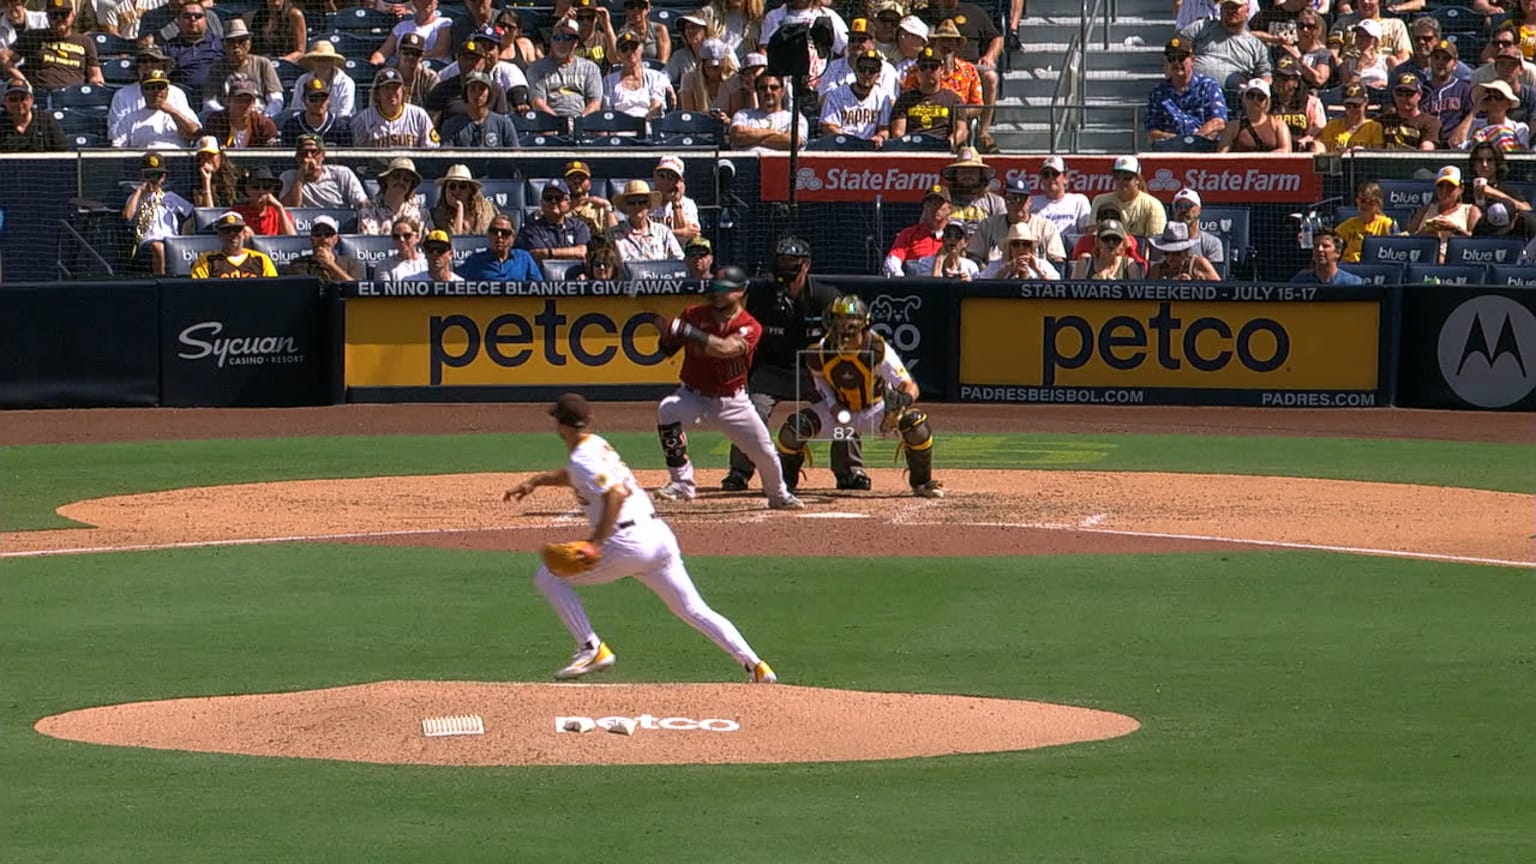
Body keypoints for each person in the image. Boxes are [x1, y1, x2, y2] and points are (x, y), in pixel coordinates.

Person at [504, 392, 779, 683]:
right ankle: (757, 666)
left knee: (549, 576)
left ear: (562, 426)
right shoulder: (595, 444)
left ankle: (591, 647)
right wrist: (536, 481)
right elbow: (574, 474)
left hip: (628, 543)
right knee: (693, 609)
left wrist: (594, 543)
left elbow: (615, 494)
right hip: (659, 538)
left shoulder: (584, 457)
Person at [649, 266, 805, 510]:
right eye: (716, 289)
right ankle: (681, 483)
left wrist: (687, 330)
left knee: (764, 451)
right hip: (694, 394)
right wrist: (666, 335)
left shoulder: (750, 326)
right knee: (667, 410)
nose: (718, 295)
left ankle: (778, 495)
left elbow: (725, 349)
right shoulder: (694, 314)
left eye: (725, 290)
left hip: (732, 400)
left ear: (741, 292)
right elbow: (668, 350)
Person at [722, 236, 862, 492]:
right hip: (771, 371)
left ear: (805, 265)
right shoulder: (762, 296)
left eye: (792, 261)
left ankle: (850, 471)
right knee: (751, 412)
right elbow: (750, 338)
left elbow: (849, 339)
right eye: (781, 261)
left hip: (814, 373)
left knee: (844, 410)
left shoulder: (825, 297)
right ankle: (739, 472)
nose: (786, 267)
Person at [778, 294, 944, 498]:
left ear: (863, 325)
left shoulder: (877, 349)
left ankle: (921, 482)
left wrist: (901, 403)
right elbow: (820, 381)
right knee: (795, 428)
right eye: (839, 322)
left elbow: (910, 385)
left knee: (916, 424)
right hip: (839, 412)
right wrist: (833, 405)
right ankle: (785, 484)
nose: (844, 329)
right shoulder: (821, 352)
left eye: (850, 324)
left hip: (875, 410)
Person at [3, 0, 102, 92]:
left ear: (73, 16)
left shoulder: (85, 41)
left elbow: (96, 75)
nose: (59, 19)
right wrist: (22, 80)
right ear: (47, 17)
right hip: (40, 96)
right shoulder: (33, 37)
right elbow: (4, 57)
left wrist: (93, 91)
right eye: (54, 15)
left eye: (64, 14)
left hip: (74, 97)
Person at [1145, 35, 1228, 143]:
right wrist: (1179, 141)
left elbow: (1219, 122)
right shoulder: (1158, 93)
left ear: (1192, 60)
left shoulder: (1208, 86)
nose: (1176, 62)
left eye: (1181, 58)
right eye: (1171, 59)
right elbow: (1151, 132)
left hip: (1204, 147)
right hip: (1171, 150)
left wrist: (1194, 139)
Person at [121, 151, 193, 275]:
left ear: (163, 178)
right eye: (149, 175)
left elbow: (192, 214)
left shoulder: (170, 197)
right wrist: (139, 191)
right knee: (157, 246)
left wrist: (184, 232)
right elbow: (127, 216)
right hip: (147, 243)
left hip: (171, 241)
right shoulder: (135, 198)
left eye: (157, 176)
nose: (152, 180)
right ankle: (161, 278)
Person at [969, 177, 1066, 265]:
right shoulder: (988, 225)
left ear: (1030, 201)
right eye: (1011, 199)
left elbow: (1057, 262)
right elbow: (973, 257)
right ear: (1004, 201)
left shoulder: (1046, 227)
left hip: (1036, 281)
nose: (1016, 204)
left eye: (1021, 199)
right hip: (996, 280)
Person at [1175, 0, 1271, 90]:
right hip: (1197, 93)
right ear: (1220, 10)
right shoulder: (1201, 27)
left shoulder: (1256, 45)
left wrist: (1255, 90)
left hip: (1236, 99)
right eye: (1226, 7)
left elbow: (1266, 76)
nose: (1230, 11)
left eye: (1235, 7)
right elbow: (1175, 46)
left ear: (1247, 11)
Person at [888, 47, 969, 150]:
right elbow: (898, 132)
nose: (928, 71)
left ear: (942, 70)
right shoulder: (905, 99)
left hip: (942, 149)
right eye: (923, 67)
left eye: (933, 67)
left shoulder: (953, 99)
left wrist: (948, 144)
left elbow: (961, 130)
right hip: (911, 149)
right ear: (917, 70)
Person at [109, 47, 194, 144]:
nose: (149, 65)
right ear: (137, 66)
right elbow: (115, 134)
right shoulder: (122, 95)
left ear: (163, 65)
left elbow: (195, 133)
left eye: (154, 60)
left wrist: (171, 111)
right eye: (144, 61)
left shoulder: (177, 93)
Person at [201, 18, 283, 115]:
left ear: (249, 43)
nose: (236, 48)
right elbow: (209, 102)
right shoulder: (217, 68)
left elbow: (276, 99)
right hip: (228, 118)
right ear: (224, 45)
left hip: (258, 115)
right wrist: (227, 116)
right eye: (231, 42)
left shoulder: (262, 63)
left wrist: (266, 117)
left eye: (241, 42)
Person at [528, 18, 604, 118]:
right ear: (551, 41)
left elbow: (595, 103)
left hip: (582, 125)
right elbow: (537, 103)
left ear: (576, 42)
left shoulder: (590, 68)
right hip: (548, 125)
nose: (562, 42)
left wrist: (579, 123)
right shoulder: (537, 68)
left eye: (567, 38)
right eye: (557, 38)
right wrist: (560, 123)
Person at [816, 18, 899, 108]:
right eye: (852, 39)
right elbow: (823, 101)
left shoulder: (887, 70)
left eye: (861, 40)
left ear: (873, 43)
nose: (856, 44)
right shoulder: (834, 67)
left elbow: (891, 104)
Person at [818, 48, 894, 145]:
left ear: (878, 75)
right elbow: (827, 126)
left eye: (872, 70)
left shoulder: (883, 97)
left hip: (870, 148)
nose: (866, 74)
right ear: (855, 70)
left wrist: (880, 137)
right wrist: (850, 141)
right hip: (841, 146)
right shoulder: (836, 94)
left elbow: (884, 129)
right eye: (862, 69)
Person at [111, 68, 202, 148]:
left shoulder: (181, 111)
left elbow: (196, 134)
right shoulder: (129, 119)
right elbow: (118, 148)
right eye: (150, 87)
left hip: (178, 163)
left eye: (160, 87)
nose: (156, 91)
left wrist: (173, 112)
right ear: (142, 91)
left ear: (167, 90)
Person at [1408, 165, 1481, 261]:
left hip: (1457, 261)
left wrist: (1455, 229)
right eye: (1440, 186)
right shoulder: (1425, 210)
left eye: (1450, 187)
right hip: (1425, 258)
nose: (1444, 191)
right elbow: (1408, 240)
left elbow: (1479, 244)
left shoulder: (1471, 211)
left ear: (1461, 189)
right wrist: (1424, 233)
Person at [280, 134, 367, 209]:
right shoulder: (288, 177)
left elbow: (362, 202)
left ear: (323, 155)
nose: (309, 156)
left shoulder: (342, 173)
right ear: (297, 157)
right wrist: (299, 178)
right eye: (303, 152)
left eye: (314, 152)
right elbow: (289, 209)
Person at [1088, 155, 1167, 238]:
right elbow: (1093, 235)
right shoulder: (1100, 201)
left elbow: (1155, 241)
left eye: (1127, 178)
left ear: (1137, 180)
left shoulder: (1153, 205)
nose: (1121, 181)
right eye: (1117, 177)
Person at [516, 178, 591, 263]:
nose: (553, 201)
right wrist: (571, 252)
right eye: (548, 198)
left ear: (568, 203)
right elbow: (539, 257)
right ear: (541, 203)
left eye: (559, 198)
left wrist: (550, 253)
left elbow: (581, 252)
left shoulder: (579, 226)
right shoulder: (532, 229)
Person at [883, 184, 951, 276]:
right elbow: (892, 260)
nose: (934, 208)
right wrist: (899, 278)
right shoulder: (909, 234)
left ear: (949, 209)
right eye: (930, 203)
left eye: (939, 203)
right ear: (924, 207)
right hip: (915, 285)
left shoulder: (956, 235)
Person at [729, 71, 807, 151]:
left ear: (782, 91)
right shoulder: (742, 115)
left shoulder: (794, 118)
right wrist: (774, 133)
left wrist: (753, 140)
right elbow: (736, 136)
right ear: (757, 91)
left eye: (773, 87)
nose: (768, 92)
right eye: (763, 88)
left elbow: (792, 142)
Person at [609, 179, 683, 262]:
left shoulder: (663, 232)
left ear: (649, 205)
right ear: (625, 207)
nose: (637, 206)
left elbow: (679, 261)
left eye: (642, 202)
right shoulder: (613, 234)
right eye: (631, 203)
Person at [440, 70, 519, 147]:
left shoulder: (503, 124)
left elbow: (515, 155)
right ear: (465, 93)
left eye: (482, 89)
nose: (477, 93)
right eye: (472, 88)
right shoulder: (451, 125)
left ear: (489, 93)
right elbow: (447, 156)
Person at [190, 210, 279, 278]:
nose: (232, 234)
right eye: (226, 230)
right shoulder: (206, 261)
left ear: (244, 233)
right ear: (219, 234)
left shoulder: (261, 260)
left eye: (237, 229)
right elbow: (199, 292)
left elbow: (273, 289)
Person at [606, 28, 672, 117]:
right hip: (619, 127)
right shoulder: (609, 81)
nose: (630, 52)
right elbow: (608, 113)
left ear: (641, 48)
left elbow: (656, 107)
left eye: (633, 47)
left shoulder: (656, 77)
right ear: (618, 54)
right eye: (625, 49)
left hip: (648, 125)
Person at [1451, 79, 1531, 151]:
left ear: (1509, 103)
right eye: (1488, 97)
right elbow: (1455, 143)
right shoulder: (1473, 125)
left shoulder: (1519, 128)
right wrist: (1474, 110)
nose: (1493, 101)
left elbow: (1520, 154)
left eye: (1498, 97)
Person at [1215, 77, 1291, 152]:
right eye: (1251, 95)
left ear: (1267, 101)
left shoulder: (1278, 125)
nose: (1255, 100)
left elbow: (1286, 150)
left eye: (1260, 97)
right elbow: (1221, 155)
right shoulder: (1233, 127)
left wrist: (1261, 160)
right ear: (1244, 98)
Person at [460, 214, 546, 280]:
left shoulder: (524, 258)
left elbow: (539, 288)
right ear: (489, 235)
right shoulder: (474, 261)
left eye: (505, 232)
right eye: (494, 231)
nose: (499, 235)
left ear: (513, 237)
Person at [161, 1, 222, 95]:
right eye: (187, 16)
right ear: (178, 20)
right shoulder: (168, 48)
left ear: (206, 19)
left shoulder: (221, 44)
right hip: (183, 100)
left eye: (198, 16)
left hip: (217, 97)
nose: (192, 19)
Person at [203, 74, 279, 148]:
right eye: (239, 100)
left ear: (254, 103)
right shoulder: (216, 122)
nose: (243, 105)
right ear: (228, 101)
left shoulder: (265, 125)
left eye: (248, 101)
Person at [1027, 155, 1091, 239]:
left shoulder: (1079, 201)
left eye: (1055, 174)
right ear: (1041, 179)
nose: (1050, 178)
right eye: (1046, 175)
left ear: (1065, 178)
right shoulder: (1032, 202)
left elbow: (1086, 236)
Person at [369, 0, 453, 65]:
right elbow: (383, 52)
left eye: (430, 1)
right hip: (403, 71)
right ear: (414, 2)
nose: (426, 4)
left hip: (434, 70)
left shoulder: (444, 23)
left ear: (436, 3)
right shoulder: (402, 26)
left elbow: (440, 51)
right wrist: (374, 61)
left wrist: (408, 57)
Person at [1270, 54, 1326, 153]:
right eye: (1277, 77)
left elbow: (1319, 129)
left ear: (1296, 81)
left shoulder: (1311, 102)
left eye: (1284, 78)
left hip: (1302, 148)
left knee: (1318, 146)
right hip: (1275, 149)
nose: (1279, 82)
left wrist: (1306, 139)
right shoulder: (1265, 101)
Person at [1334, 180, 1399, 263]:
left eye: (1370, 202)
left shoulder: (1386, 224)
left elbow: (1395, 249)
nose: (1364, 205)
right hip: (1349, 265)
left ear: (1377, 203)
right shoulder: (1350, 224)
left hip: (1374, 266)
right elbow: (1332, 239)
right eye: (1362, 200)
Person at [285, 214, 364, 282]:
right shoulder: (298, 264)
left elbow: (355, 289)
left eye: (328, 234)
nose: (323, 238)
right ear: (311, 238)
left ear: (336, 239)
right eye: (318, 233)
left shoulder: (351, 263)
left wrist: (331, 265)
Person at [1424, 39, 1472, 148]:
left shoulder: (1463, 89)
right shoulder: (1421, 90)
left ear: (1455, 64)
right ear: (1430, 61)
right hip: (1426, 145)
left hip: (1455, 146)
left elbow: (1471, 117)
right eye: (1436, 57)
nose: (1440, 62)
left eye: (1446, 58)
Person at [290, 40, 355, 119]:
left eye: (327, 59)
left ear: (333, 62)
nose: (322, 63)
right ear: (311, 61)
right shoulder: (302, 81)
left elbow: (344, 113)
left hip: (339, 126)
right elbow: (297, 109)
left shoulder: (346, 82)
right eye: (317, 59)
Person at [430, 163, 499, 236]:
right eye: (452, 186)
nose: (457, 190)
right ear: (445, 190)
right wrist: (459, 208)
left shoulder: (487, 210)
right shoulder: (440, 215)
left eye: (462, 186)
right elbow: (455, 240)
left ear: (471, 189)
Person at [1465, 140, 1531, 215]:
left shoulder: (1507, 189)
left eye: (1489, 160)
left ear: (1497, 163)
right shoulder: (1465, 190)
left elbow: (1527, 209)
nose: (1484, 165)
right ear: (1474, 164)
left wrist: (1493, 193)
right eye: (1480, 160)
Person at [1378, 72, 1441, 150]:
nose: (1403, 98)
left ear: (1419, 95)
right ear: (1393, 94)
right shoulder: (1382, 121)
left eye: (1409, 93)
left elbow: (1427, 150)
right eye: (1399, 92)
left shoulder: (1430, 122)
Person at [229, 165, 296, 236]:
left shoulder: (279, 212)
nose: (261, 191)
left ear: (272, 190)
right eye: (256, 187)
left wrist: (279, 207)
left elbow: (292, 239)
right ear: (247, 189)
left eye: (266, 187)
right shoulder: (237, 212)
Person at [283, 77, 352, 146]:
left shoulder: (341, 127)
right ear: (304, 100)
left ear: (328, 100)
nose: (319, 103)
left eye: (323, 98)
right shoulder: (291, 126)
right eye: (313, 99)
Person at [1069, 219, 1146, 280]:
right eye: (1106, 238)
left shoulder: (1130, 266)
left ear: (1122, 243)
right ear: (1097, 241)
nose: (1111, 243)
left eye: (1116, 239)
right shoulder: (1084, 265)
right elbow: (1072, 295)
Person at [980, 223, 1061, 279]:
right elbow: (981, 287)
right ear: (1009, 247)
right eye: (1016, 244)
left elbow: (1056, 287)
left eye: (1026, 244)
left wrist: (1037, 270)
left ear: (1031, 248)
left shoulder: (1043, 265)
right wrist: (1005, 271)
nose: (1021, 248)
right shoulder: (996, 265)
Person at [0, 78, 63, 151]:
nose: (19, 103)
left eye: (23, 98)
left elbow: (63, 153)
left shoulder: (46, 121)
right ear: (5, 102)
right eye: (13, 99)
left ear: (31, 100)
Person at [1318, 83, 1385, 151]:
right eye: (1348, 105)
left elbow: (1377, 153)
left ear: (1365, 102)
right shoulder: (1332, 126)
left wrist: (1362, 152)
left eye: (1356, 105)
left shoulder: (1374, 127)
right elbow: (1325, 152)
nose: (1352, 109)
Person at [650, 155, 700, 247]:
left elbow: (686, 239)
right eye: (662, 175)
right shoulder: (642, 201)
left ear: (679, 182)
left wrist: (676, 203)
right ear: (655, 175)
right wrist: (680, 232)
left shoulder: (688, 204)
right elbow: (640, 234)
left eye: (671, 177)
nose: (665, 181)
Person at [1166, 188, 1225, 263]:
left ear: (1199, 210)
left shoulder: (1211, 243)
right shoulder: (1164, 242)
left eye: (1188, 205)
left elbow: (1214, 273)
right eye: (1179, 206)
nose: (1183, 210)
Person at [1146, 222, 1221, 280]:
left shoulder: (1199, 264)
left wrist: (1194, 284)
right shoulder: (1157, 269)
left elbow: (1218, 289)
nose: (1171, 258)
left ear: (1185, 251)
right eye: (1167, 253)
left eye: (1176, 253)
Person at [677, 36, 731, 114]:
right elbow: (688, 114)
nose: (712, 71)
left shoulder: (732, 79)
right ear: (702, 64)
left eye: (716, 68)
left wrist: (726, 120)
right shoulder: (688, 79)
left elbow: (736, 117)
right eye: (709, 67)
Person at [1291, 228, 1364, 284]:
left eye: (1325, 246)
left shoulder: (1352, 283)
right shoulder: (1300, 281)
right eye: (1316, 246)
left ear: (1337, 253)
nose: (1319, 249)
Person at [911, 222, 979, 280]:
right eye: (948, 235)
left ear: (966, 242)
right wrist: (938, 261)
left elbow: (976, 293)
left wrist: (968, 286)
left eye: (957, 236)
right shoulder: (925, 263)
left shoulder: (971, 267)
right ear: (943, 240)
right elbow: (930, 290)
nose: (952, 239)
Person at [565, 159, 616, 235]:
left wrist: (607, 206)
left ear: (589, 184)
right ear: (566, 182)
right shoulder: (560, 207)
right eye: (573, 178)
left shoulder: (599, 208)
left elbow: (616, 236)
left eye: (582, 178)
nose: (577, 181)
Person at [1338, 18, 1391, 92]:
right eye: (1359, 36)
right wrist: (1360, 65)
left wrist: (1384, 83)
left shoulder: (1388, 61)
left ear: (1376, 40)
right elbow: (1348, 91)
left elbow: (1396, 85)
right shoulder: (1347, 64)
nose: (1362, 39)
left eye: (1367, 36)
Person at [190, 135, 239, 209]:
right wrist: (206, 183)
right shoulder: (197, 183)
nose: (207, 159)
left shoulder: (236, 177)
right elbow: (207, 214)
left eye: (211, 155)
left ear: (220, 155)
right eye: (203, 156)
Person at [250, 0, 305, 65]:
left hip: (287, 66)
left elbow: (300, 52)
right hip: (263, 65)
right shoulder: (258, 16)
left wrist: (280, 61)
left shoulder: (294, 15)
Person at [396, 33, 440, 108]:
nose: (411, 56)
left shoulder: (430, 77)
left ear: (422, 56)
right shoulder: (386, 75)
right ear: (398, 52)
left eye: (416, 53)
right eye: (406, 52)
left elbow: (435, 109)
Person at [376, 216, 427, 280]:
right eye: (396, 237)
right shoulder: (384, 266)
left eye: (407, 236)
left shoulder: (427, 263)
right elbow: (385, 289)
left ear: (417, 237)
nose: (401, 240)